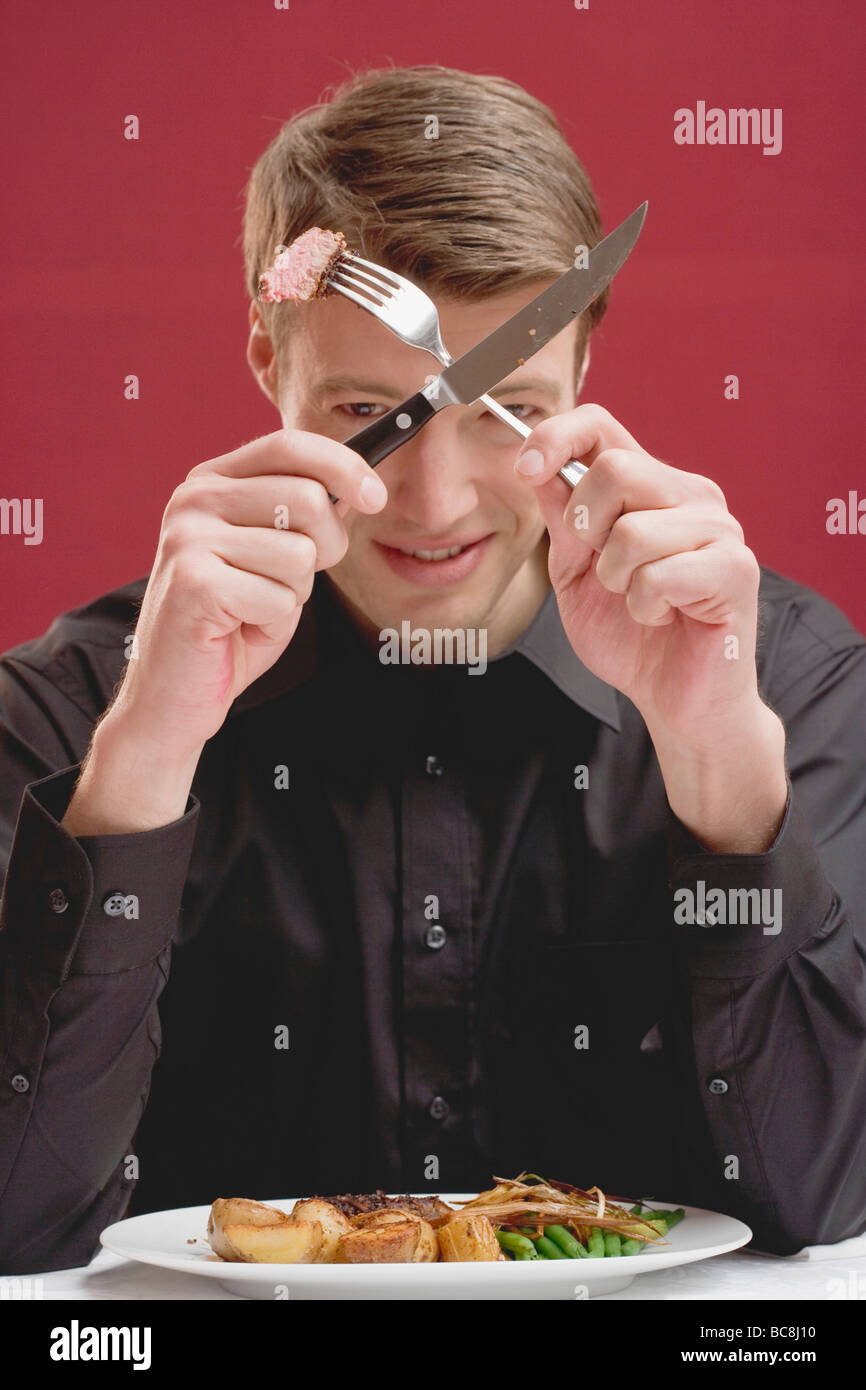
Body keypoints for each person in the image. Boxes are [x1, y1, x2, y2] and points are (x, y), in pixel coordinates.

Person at [1, 65, 864, 1277]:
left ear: (581, 370)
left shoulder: (785, 680)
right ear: (266, 354)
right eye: (370, 411)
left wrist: (720, 767)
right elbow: (14, 1217)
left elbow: (822, 1198)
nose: (435, 504)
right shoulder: (76, 710)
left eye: (504, 414)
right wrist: (143, 763)